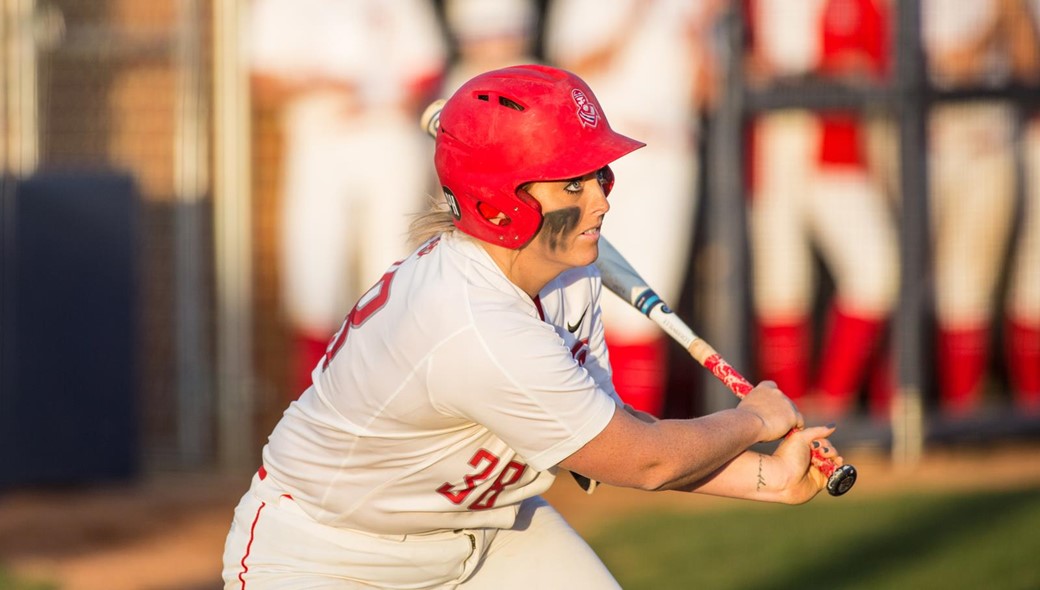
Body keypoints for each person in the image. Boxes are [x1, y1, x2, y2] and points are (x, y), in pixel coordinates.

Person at [221, 65, 845, 589]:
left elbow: (611, 439)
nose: (602, 199)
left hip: (487, 532)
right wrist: (752, 421)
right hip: (329, 558)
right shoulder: (472, 324)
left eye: (599, 175)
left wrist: (770, 478)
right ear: (500, 203)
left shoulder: (569, 273)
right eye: (575, 182)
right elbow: (646, 462)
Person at [247, 0, 448, 399]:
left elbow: (427, 67)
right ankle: (314, 415)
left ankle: (394, 413)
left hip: (387, 136)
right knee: (314, 280)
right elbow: (260, 78)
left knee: (394, 276)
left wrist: (377, 100)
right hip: (319, 138)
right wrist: (319, 86)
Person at [542, 0, 724, 417]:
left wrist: (699, 34)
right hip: (610, 151)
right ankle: (588, 426)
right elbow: (567, 68)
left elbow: (707, 89)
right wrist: (634, 16)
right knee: (578, 290)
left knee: (649, 297)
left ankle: (639, 426)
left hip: (672, 149)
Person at [743, 0, 900, 420]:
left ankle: (832, 404)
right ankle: (790, 420)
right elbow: (732, 60)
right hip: (772, 141)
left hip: (834, 142)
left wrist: (834, 73)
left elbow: (879, 64)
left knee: (876, 271)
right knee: (780, 286)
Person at [921, 0, 1039, 418]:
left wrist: (1014, 15)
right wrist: (996, 20)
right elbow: (954, 66)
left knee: (982, 284)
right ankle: (942, 417)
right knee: (939, 286)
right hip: (940, 152)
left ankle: (974, 414)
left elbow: (1028, 66)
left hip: (995, 144)